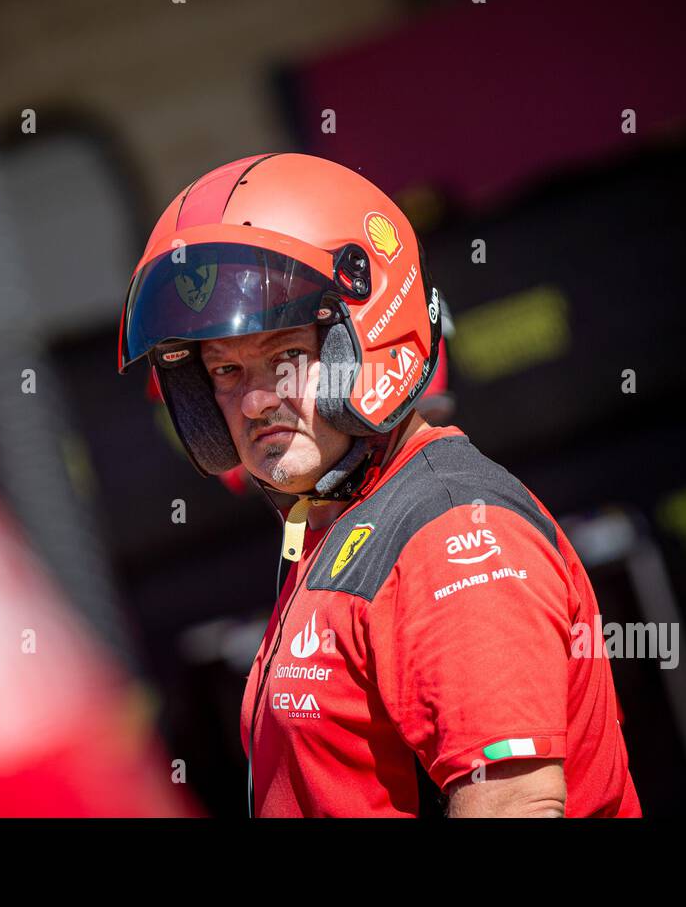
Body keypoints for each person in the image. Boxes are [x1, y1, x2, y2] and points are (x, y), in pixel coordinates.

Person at [118, 152, 640, 817]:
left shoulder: (450, 533)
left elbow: (516, 806)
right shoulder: (341, 524)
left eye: (285, 357)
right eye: (223, 371)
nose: (252, 402)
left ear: (363, 341)